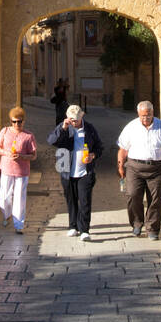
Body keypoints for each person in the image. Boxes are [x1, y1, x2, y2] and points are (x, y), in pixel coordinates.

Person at [117, 100, 161, 241]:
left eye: (148, 115)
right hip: (134, 168)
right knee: (133, 195)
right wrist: (120, 165)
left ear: (152, 113)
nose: (145, 118)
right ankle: (137, 223)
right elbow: (123, 149)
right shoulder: (131, 127)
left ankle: (153, 229)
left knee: (155, 199)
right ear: (138, 114)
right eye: (143, 116)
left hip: (157, 168)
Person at [48, 103, 104, 241]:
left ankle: (84, 229)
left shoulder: (89, 129)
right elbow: (51, 141)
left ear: (82, 117)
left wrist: (93, 155)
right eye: (72, 120)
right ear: (67, 118)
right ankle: (73, 226)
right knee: (71, 200)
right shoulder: (64, 128)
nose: (74, 122)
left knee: (84, 200)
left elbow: (99, 146)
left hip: (85, 171)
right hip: (67, 171)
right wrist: (63, 128)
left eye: (76, 120)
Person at [0, 106, 37, 234]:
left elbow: (34, 155)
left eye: (19, 121)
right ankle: (7, 214)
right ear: (11, 121)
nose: (17, 124)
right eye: (14, 121)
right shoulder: (5, 131)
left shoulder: (28, 136)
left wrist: (22, 156)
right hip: (6, 168)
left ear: (23, 121)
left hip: (22, 171)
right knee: (4, 195)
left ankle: (18, 224)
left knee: (19, 197)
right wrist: (6, 153)